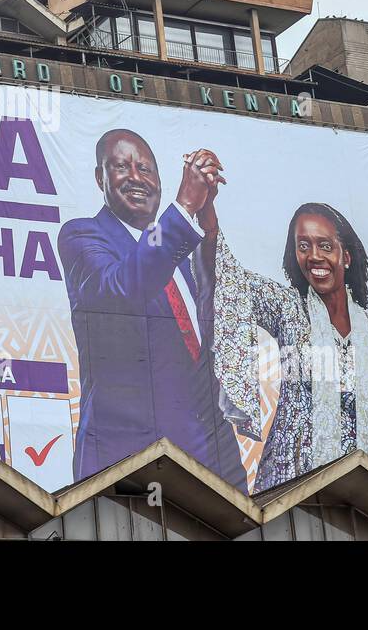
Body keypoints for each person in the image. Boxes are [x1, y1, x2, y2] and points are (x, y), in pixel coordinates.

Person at [205, 155, 368, 499]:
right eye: (304, 246)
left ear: (345, 256)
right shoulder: (290, 310)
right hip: (296, 496)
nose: (314, 256)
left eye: (325, 246)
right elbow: (231, 280)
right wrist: (208, 216)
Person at [57, 129, 247, 490]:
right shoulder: (82, 237)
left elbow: (213, 310)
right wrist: (184, 208)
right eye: (121, 166)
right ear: (101, 178)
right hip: (128, 467)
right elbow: (123, 289)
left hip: (209, 456)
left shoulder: (174, 255)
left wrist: (206, 225)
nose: (135, 177)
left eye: (145, 168)